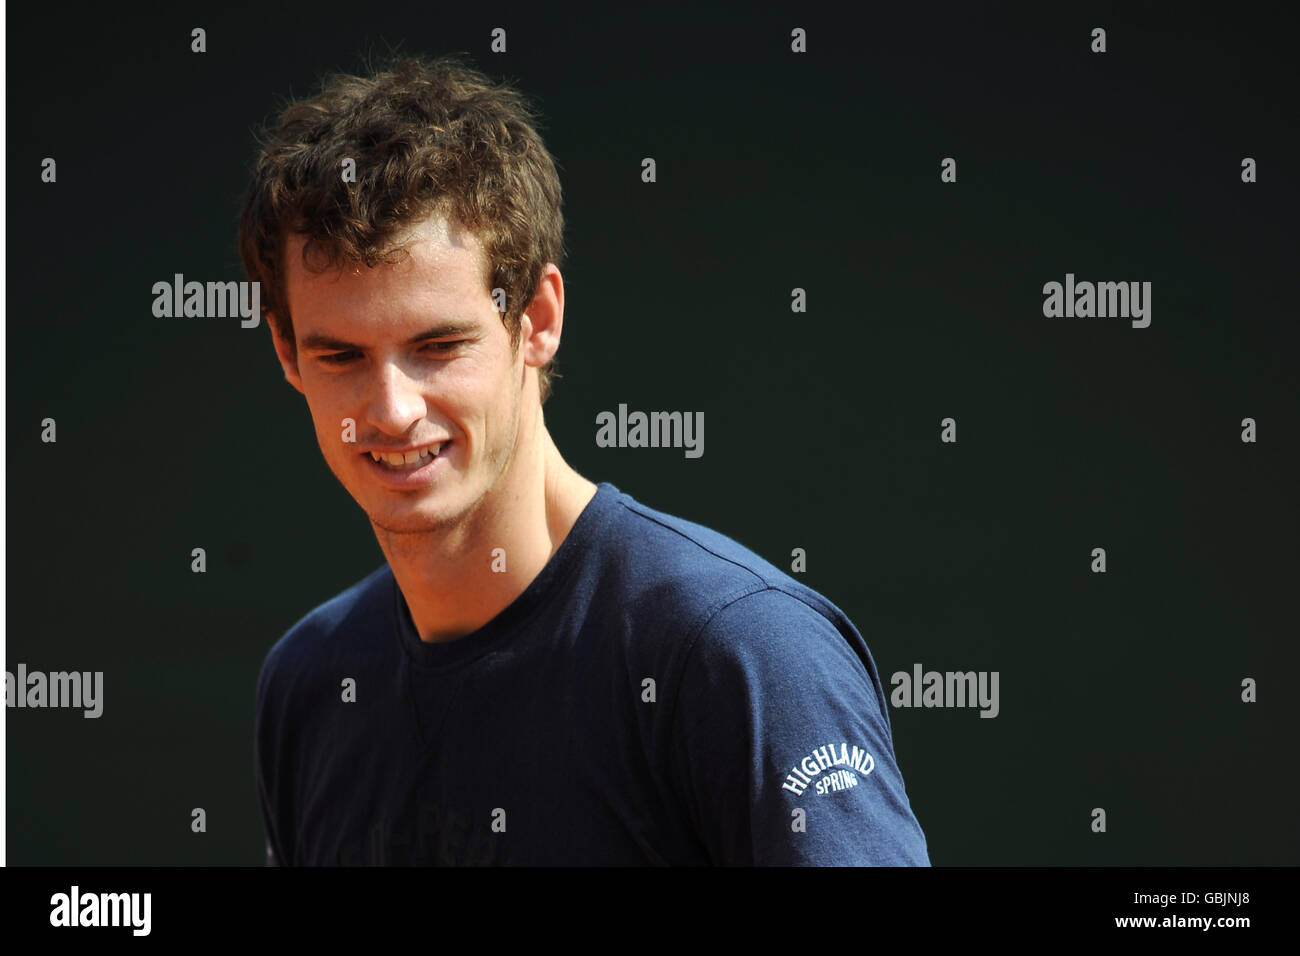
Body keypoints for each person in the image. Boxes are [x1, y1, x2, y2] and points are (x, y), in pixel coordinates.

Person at [240, 52, 929, 866]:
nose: (391, 409)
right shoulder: (310, 686)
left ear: (536, 318)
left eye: (438, 345)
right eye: (341, 356)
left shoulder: (740, 654)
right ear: (286, 351)